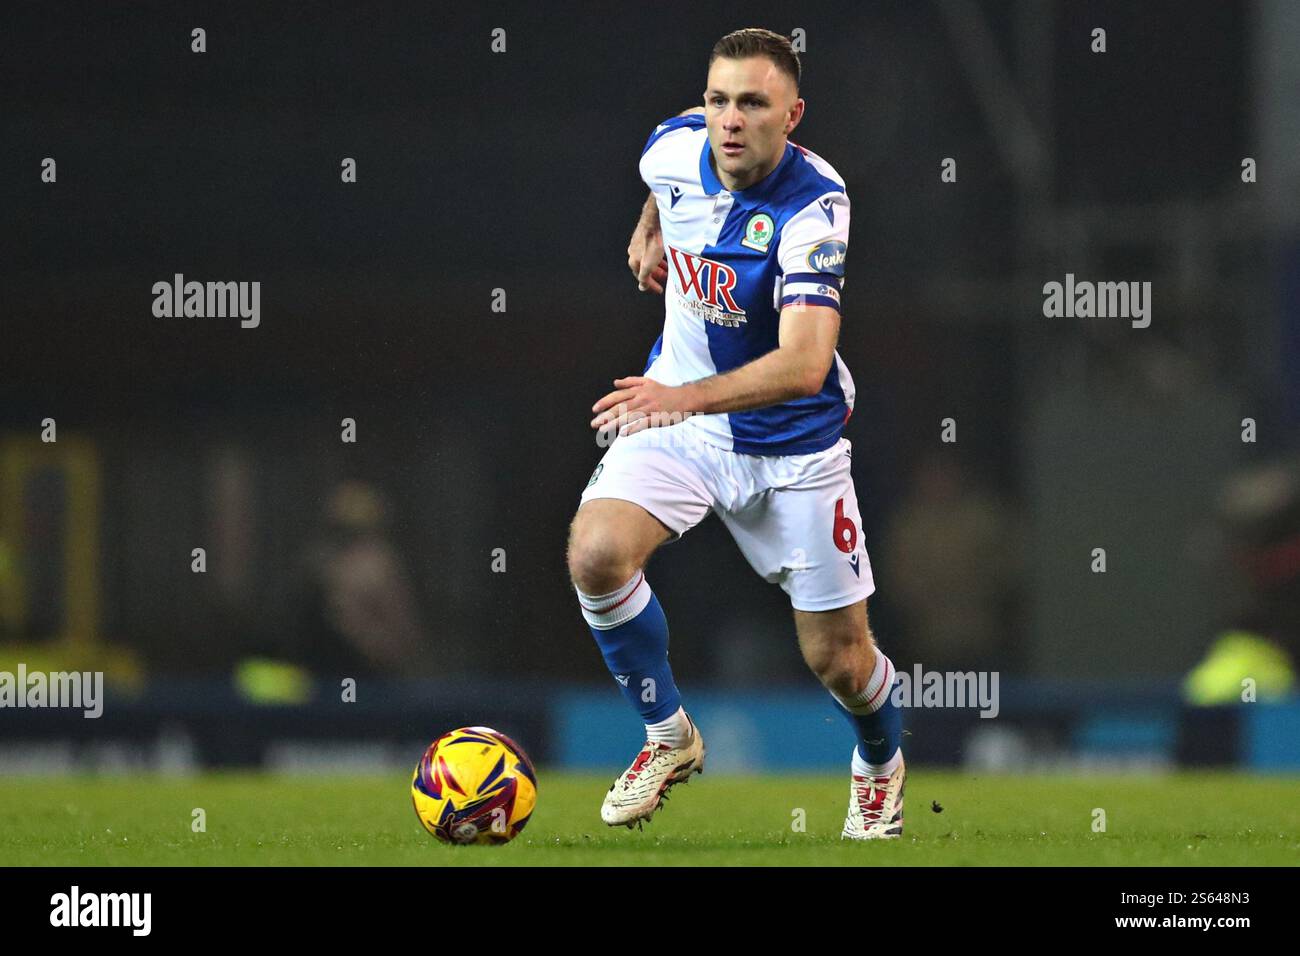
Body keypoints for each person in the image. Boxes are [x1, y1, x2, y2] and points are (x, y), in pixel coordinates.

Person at [567, 28, 904, 839]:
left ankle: (879, 765)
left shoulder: (815, 206)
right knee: (595, 553)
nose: (729, 120)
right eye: (719, 100)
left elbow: (803, 363)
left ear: (792, 116)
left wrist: (683, 397)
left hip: (791, 448)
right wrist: (651, 223)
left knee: (841, 664)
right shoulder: (676, 149)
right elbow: (668, 152)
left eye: (753, 103)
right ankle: (667, 734)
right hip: (679, 423)